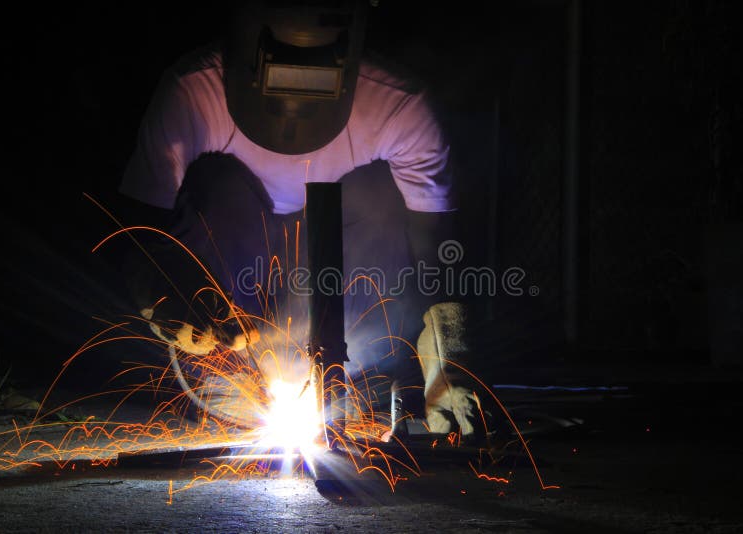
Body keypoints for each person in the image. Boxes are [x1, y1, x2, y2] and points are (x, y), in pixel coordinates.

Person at [118, 0, 482, 436]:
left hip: (342, 294)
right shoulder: (193, 91)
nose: (292, 110)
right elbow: (138, 231)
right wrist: (163, 293)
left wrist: (450, 355)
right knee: (219, 180)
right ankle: (234, 373)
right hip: (235, 311)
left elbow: (436, 253)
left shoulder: (400, 109)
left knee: (378, 192)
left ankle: (349, 371)